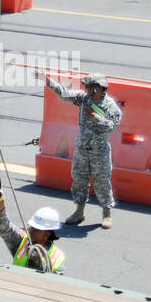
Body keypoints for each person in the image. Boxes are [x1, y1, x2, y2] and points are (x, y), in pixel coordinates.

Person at [46, 72, 123, 228]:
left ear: (99, 88)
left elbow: (111, 127)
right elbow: (65, 94)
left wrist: (94, 116)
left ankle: (106, 214)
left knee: (102, 182)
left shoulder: (110, 107)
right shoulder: (84, 98)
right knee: (79, 181)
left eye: (89, 87)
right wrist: (49, 82)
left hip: (99, 151)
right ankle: (79, 212)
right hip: (82, 150)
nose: (86, 89)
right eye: (86, 87)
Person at [0, 192, 66, 273]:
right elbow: (1, 226)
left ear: (48, 233)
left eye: (36, 230)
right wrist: (0, 202)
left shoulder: (57, 257)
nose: (31, 231)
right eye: (31, 227)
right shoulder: (21, 240)